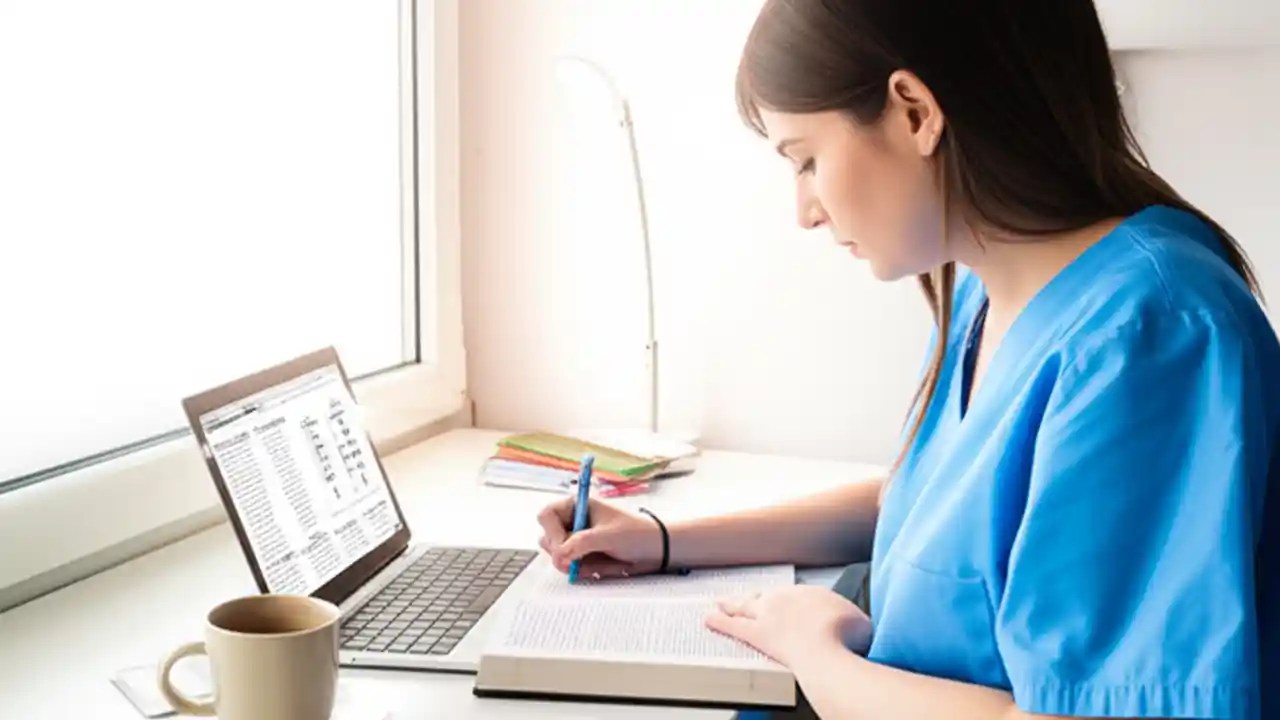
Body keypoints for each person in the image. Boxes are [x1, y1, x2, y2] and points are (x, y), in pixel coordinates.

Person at [538, 1, 1279, 718]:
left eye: (806, 160)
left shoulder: (1154, 339)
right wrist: (666, 541)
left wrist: (820, 657)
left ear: (915, 112)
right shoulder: (985, 292)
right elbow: (920, 509)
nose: (805, 210)